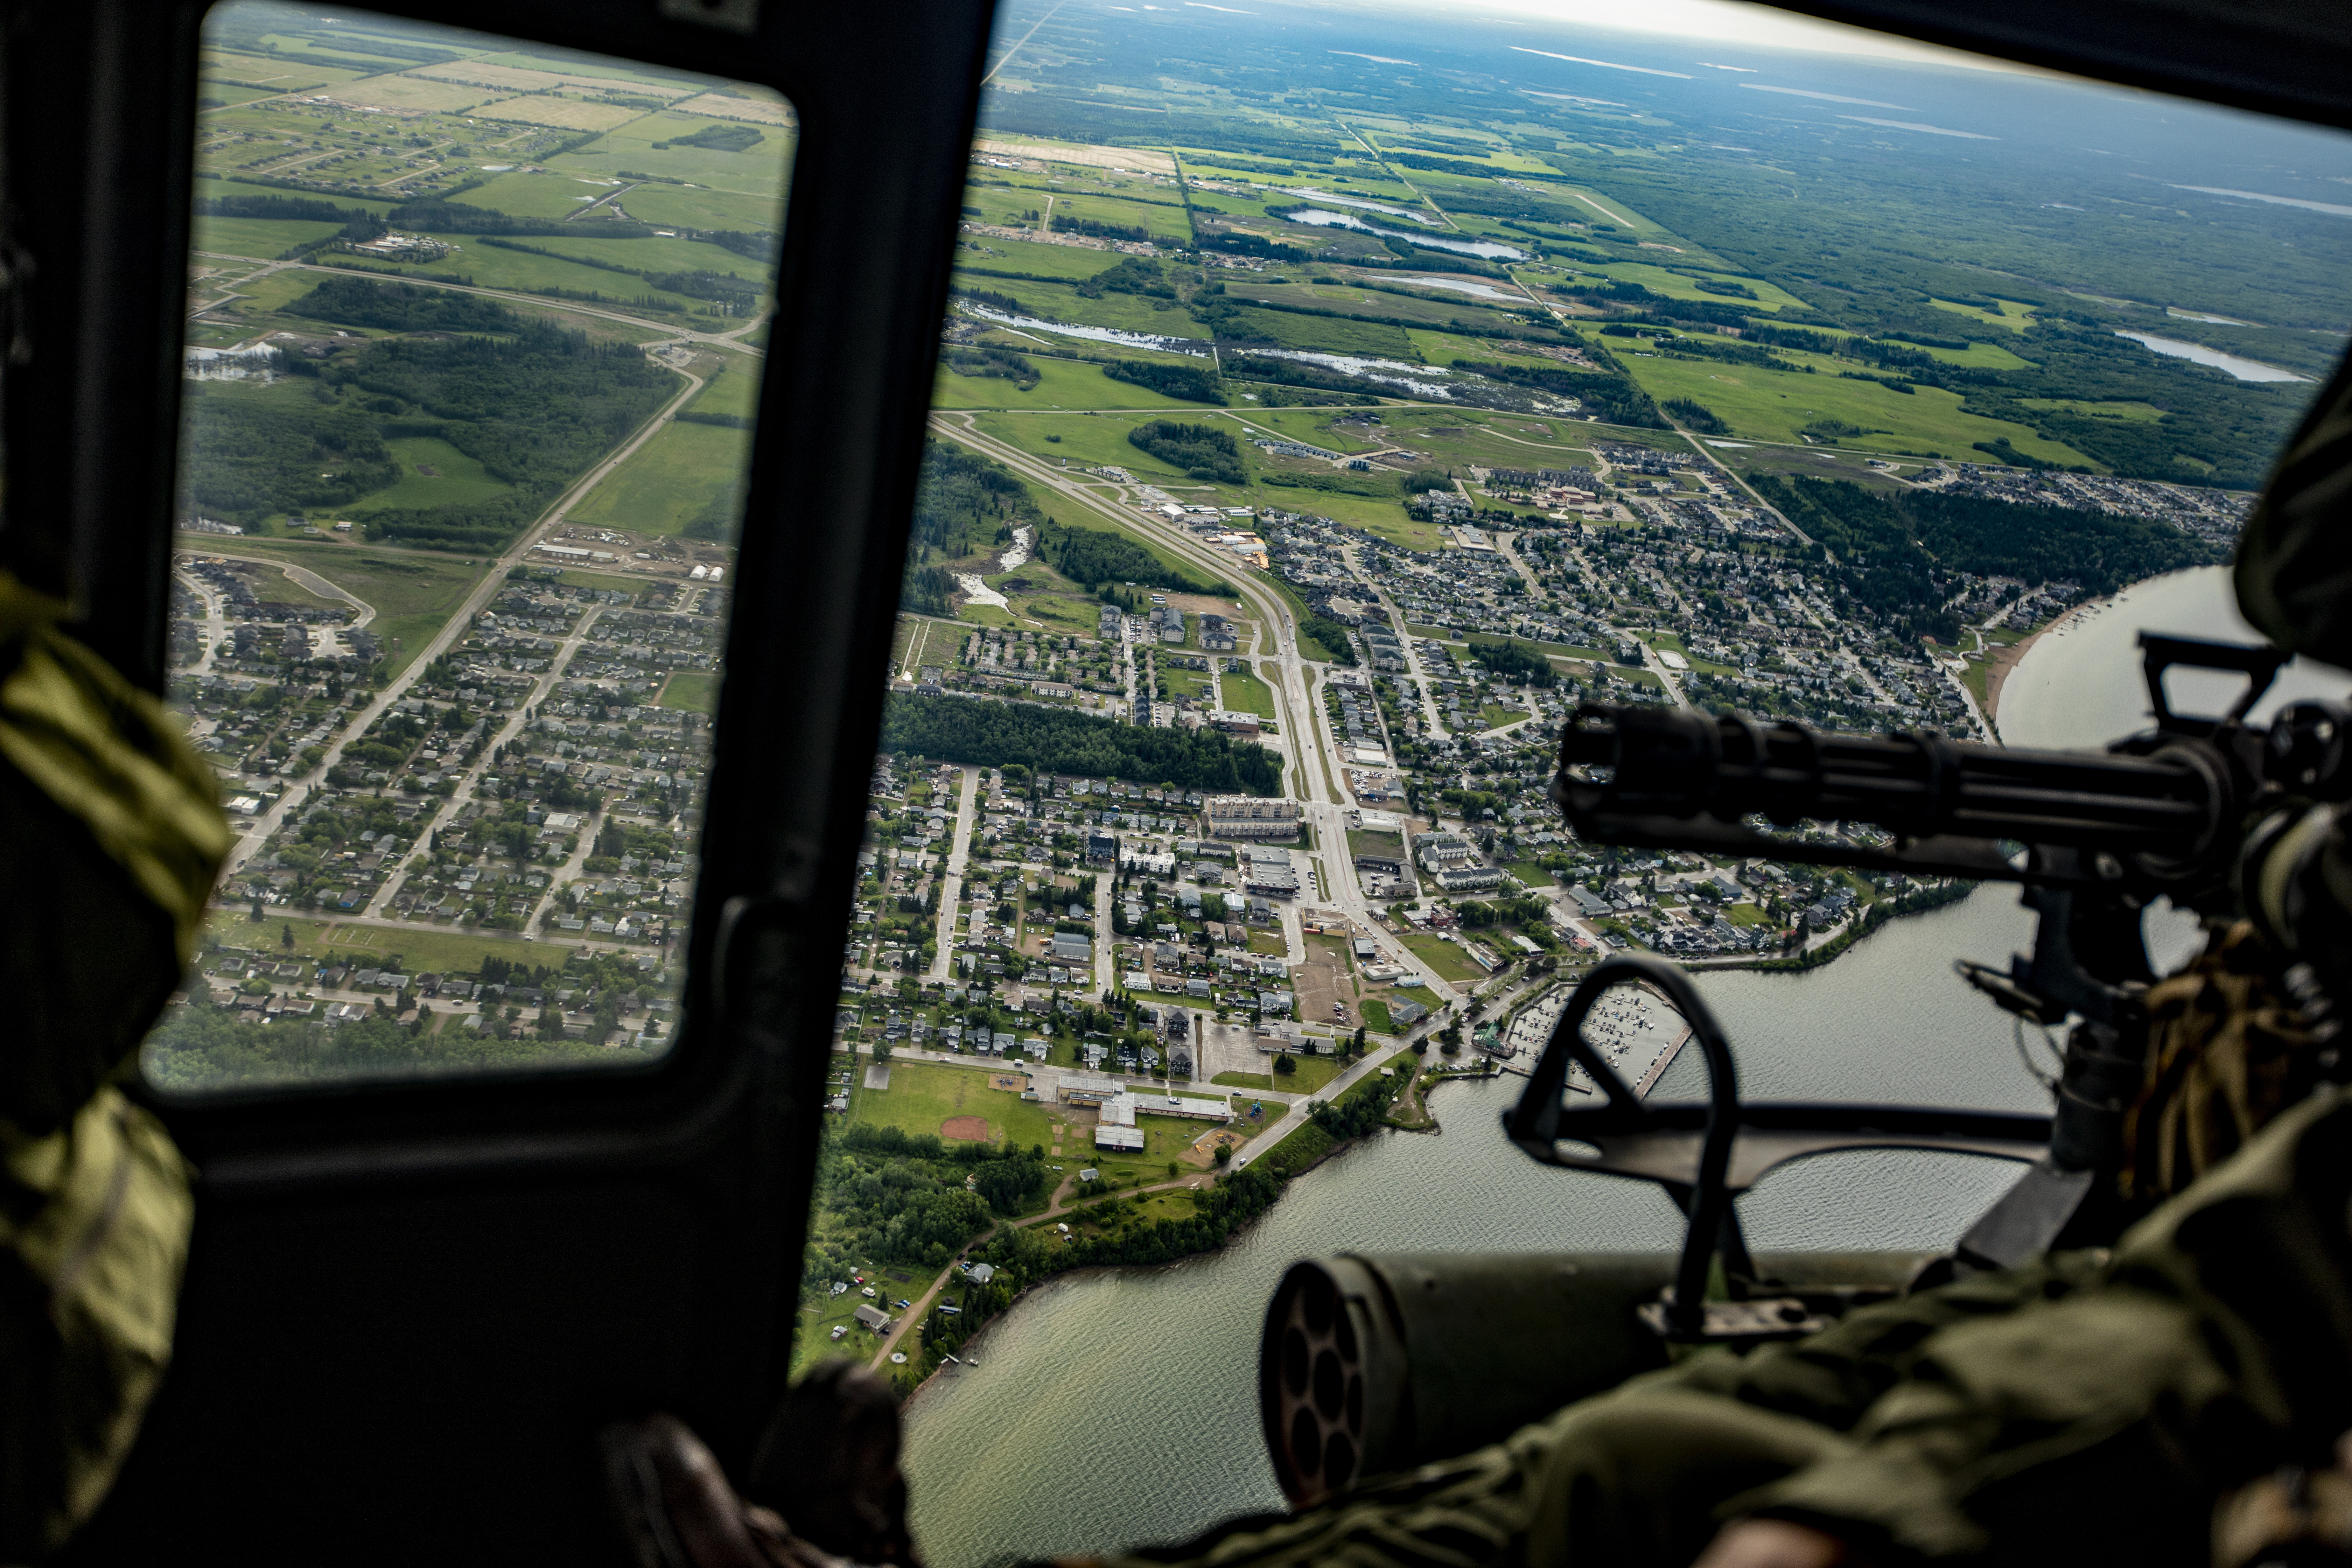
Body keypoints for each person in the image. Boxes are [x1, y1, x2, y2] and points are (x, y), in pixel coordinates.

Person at [607, 363, 2352, 1568]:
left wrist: (1869, 1519)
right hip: (2188, 1268)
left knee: (1657, 1475)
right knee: (1614, 1463)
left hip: (2223, 1328)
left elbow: (2265, 1281)